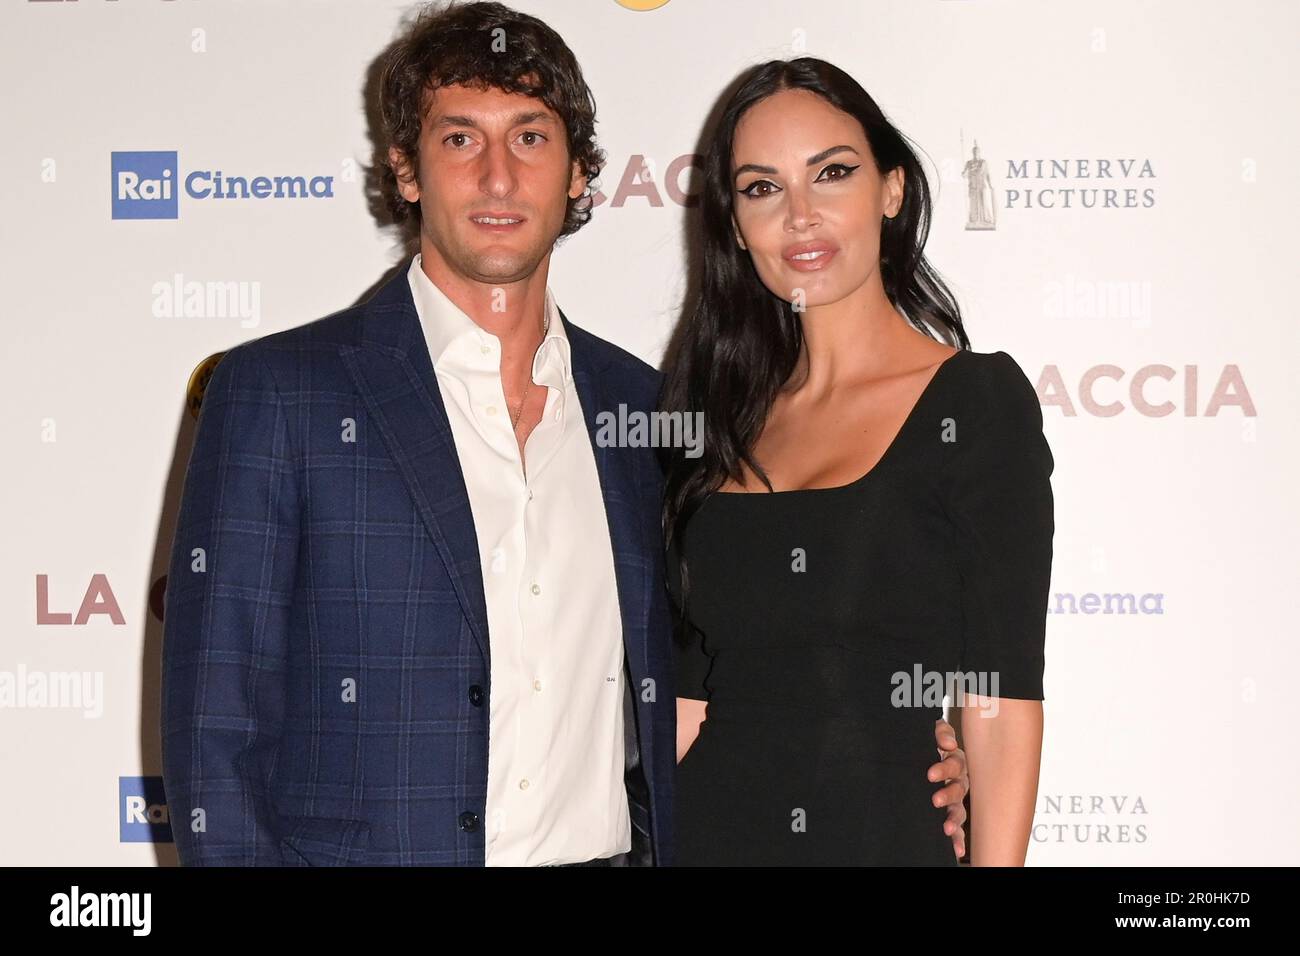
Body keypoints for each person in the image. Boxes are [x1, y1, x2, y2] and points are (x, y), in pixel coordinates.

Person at [160, 1, 969, 867]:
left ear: (580, 174)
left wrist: (914, 746)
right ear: (406, 169)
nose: (499, 178)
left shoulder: (650, 413)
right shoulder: (282, 396)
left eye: (533, 138)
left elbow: (741, 653)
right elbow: (217, 732)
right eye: (460, 138)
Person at [661, 57, 1053, 866]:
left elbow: (1001, 696)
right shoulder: (712, 421)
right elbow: (687, 700)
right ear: (736, 225)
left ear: (892, 190)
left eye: (831, 173)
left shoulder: (974, 404)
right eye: (763, 188)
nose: (801, 216)